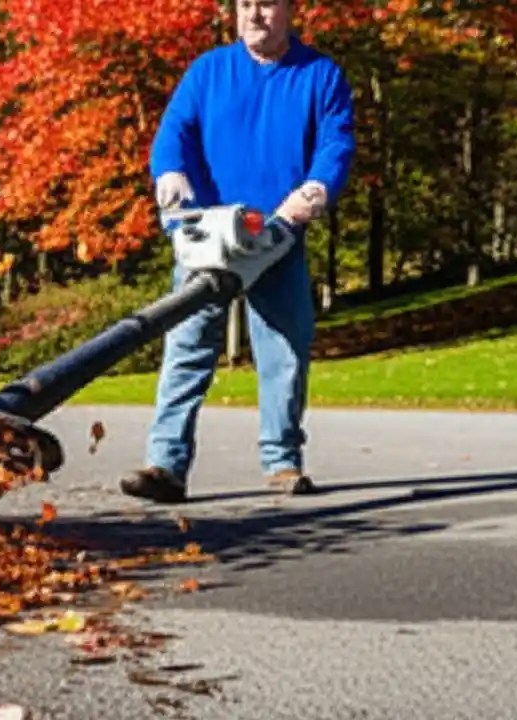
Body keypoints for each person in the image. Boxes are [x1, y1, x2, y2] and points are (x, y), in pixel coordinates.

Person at [120, 0, 356, 503]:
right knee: (187, 346)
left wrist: (316, 188)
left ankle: (282, 461)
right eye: (244, 5)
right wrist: (169, 172)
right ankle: (165, 464)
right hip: (208, 235)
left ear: (289, 11)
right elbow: (173, 134)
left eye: (265, 5)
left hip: (276, 233)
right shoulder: (209, 71)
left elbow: (336, 144)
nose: (253, 16)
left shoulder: (320, 75)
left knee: (285, 351)